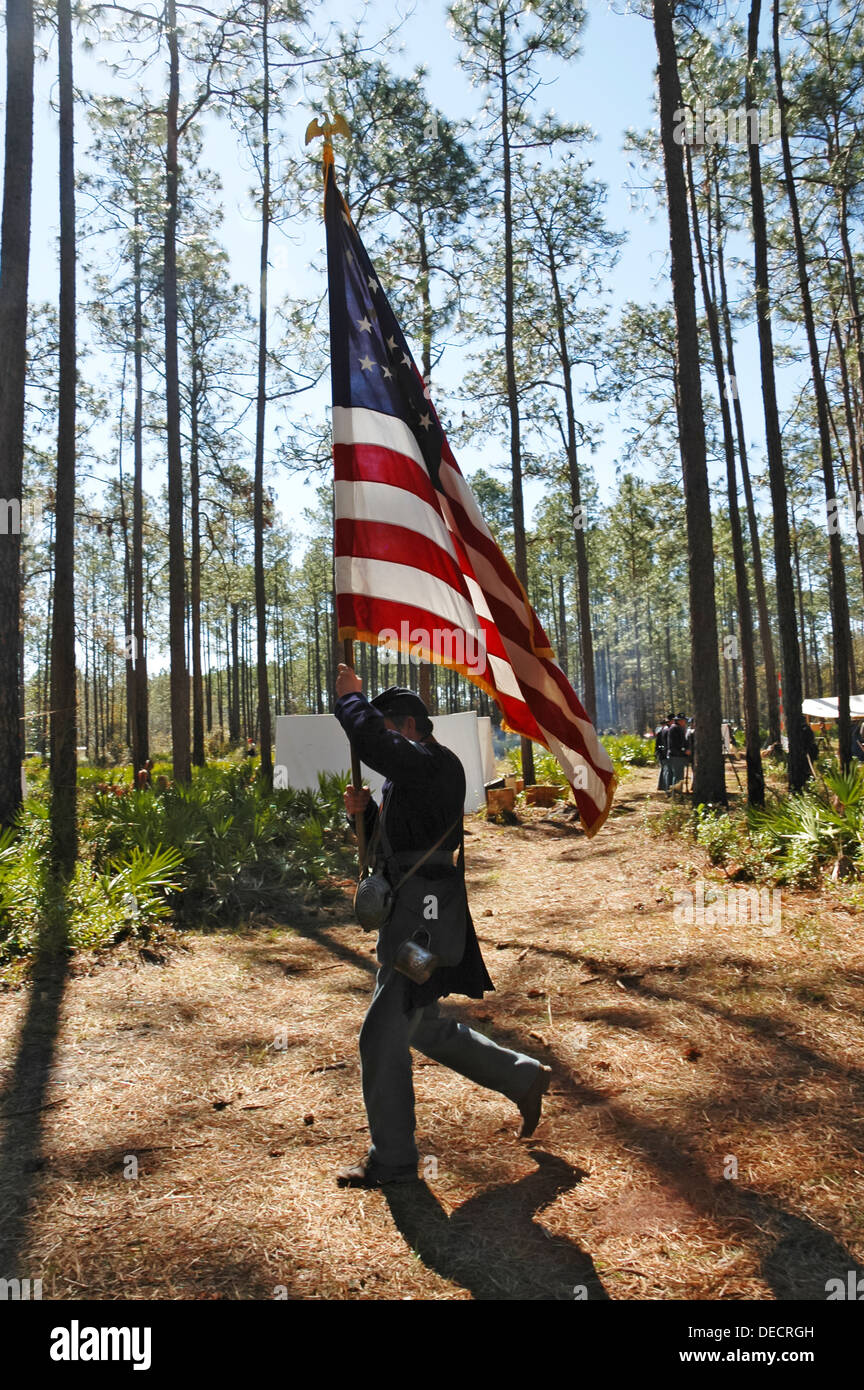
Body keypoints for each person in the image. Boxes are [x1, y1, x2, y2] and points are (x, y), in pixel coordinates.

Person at [333, 664, 552, 1189]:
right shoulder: (410, 774)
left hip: (424, 926)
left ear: (407, 726)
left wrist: (350, 700)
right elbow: (384, 851)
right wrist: (361, 817)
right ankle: (520, 1075)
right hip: (409, 916)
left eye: (386, 726)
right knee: (423, 1025)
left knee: (381, 1034)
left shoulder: (436, 764)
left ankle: (394, 1158)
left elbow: (373, 745)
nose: (383, 735)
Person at [665, 712, 689, 796]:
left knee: (677, 775)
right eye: (683, 720)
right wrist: (684, 751)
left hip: (676, 755)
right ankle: (676, 794)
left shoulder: (677, 728)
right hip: (676, 756)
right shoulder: (675, 729)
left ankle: (675, 793)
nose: (684, 722)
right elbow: (675, 744)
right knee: (678, 776)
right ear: (679, 721)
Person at [655, 713, 672, 791]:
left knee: (664, 769)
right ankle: (665, 786)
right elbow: (659, 743)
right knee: (666, 770)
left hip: (661, 752)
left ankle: (662, 786)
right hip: (663, 752)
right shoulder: (665, 731)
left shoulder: (661, 731)